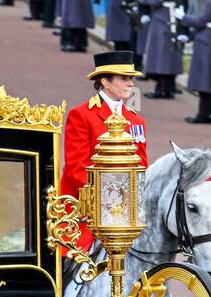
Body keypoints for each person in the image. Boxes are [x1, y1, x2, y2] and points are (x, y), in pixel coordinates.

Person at [61, 50, 148, 253]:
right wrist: (109, 203)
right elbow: (77, 170)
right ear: (105, 82)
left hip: (126, 212)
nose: (131, 84)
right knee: (73, 267)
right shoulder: (81, 115)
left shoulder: (136, 120)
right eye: (124, 78)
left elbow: (141, 167)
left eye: (131, 78)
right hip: (86, 211)